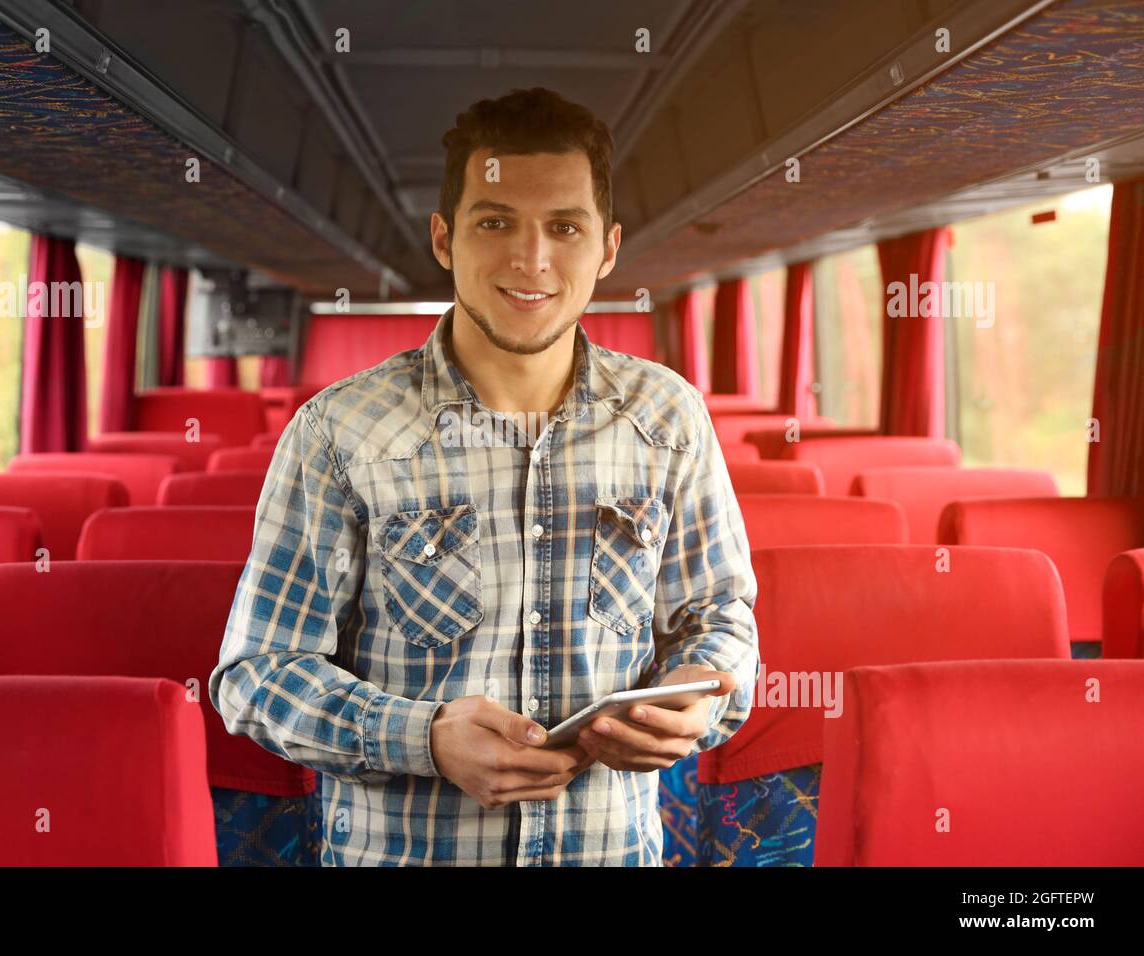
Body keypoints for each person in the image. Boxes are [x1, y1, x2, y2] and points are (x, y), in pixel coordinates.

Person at [210, 86, 759, 866]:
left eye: (564, 227)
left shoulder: (668, 419)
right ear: (444, 238)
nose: (530, 260)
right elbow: (257, 675)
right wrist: (424, 740)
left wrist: (703, 693)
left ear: (607, 249)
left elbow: (720, 616)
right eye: (495, 221)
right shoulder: (338, 434)